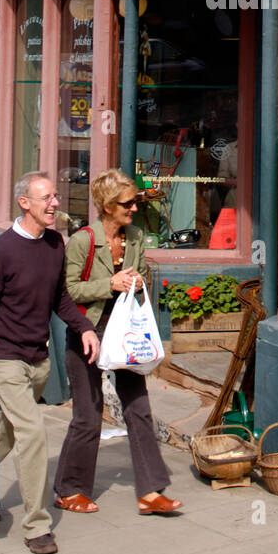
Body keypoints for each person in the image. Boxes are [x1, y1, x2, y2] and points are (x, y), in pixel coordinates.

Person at [0, 171, 100, 554]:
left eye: (55, 196)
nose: (55, 203)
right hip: (5, 357)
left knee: (7, 427)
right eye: (46, 198)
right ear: (25, 203)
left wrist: (84, 327)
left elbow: (61, 299)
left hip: (38, 358)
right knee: (33, 432)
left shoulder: (55, 244)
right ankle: (37, 526)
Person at [53, 168, 181, 517]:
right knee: (88, 413)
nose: (135, 209)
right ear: (108, 206)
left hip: (125, 332)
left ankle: (151, 492)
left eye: (136, 202)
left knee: (138, 407)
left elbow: (144, 275)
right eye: (128, 203)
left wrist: (139, 281)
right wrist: (109, 284)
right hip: (88, 331)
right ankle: (69, 489)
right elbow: (67, 291)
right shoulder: (83, 240)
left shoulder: (136, 236)